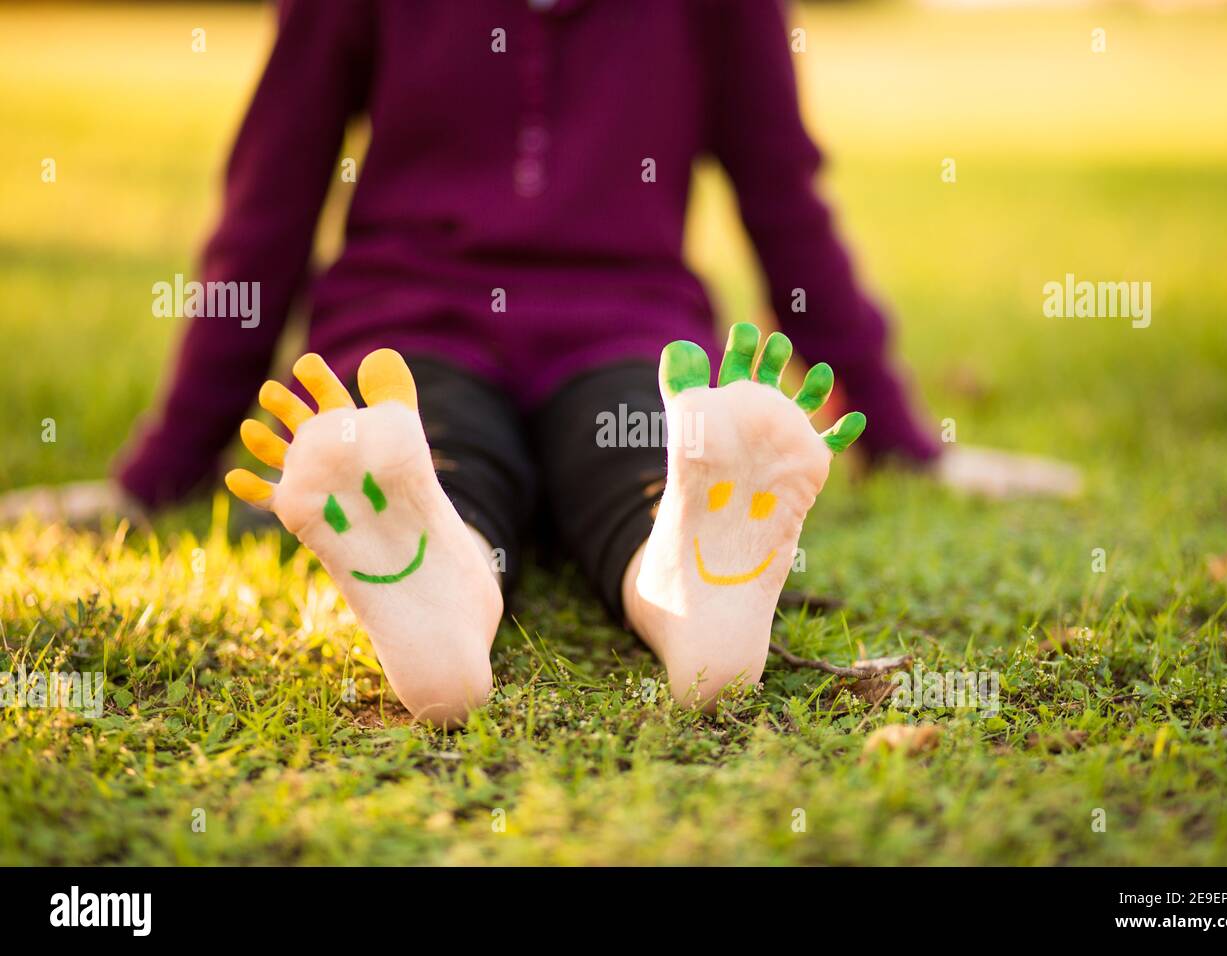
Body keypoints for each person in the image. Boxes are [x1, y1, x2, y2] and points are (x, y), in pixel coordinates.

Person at [1, 0, 1078, 722]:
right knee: (515, 454)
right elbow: (270, 204)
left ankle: (606, 577)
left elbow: (784, 203)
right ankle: (588, 580)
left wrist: (905, 438)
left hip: (590, 330)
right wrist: (153, 472)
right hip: (435, 328)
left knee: (586, 453)